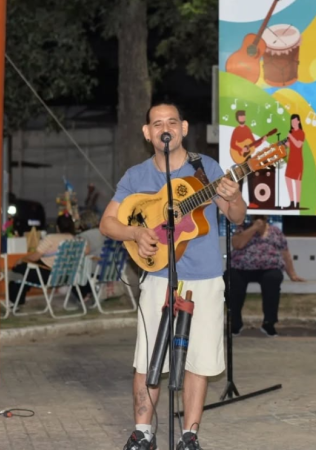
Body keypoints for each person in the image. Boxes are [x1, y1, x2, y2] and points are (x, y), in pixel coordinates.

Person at [100, 100, 246, 450]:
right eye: (157, 123)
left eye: (172, 121)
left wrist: (235, 195)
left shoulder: (205, 168)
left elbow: (237, 217)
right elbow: (107, 223)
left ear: (183, 129)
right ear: (148, 133)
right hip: (158, 277)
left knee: (199, 359)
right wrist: (136, 234)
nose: (165, 127)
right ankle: (143, 433)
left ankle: (189, 436)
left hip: (206, 277)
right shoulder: (136, 176)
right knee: (148, 358)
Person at [227, 215, 304, 337]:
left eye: (262, 217)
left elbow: (285, 254)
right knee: (232, 280)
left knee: (273, 279)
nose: (259, 219)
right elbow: (237, 245)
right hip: (241, 268)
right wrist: (254, 228)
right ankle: (235, 323)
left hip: (269, 269)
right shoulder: (242, 229)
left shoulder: (276, 232)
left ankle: (269, 323)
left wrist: (292, 275)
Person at [8, 214, 90, 306]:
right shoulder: (78, 240)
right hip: (67, 276)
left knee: (19, 270)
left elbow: (35, 257)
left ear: (58, 227)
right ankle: (16, 301)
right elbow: (86, 252)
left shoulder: (50, 238)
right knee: (25, 272)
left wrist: (22, 259)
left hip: (49, 276)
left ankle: (14, 302)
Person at [284, 114, 306, 209]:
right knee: (288, 179)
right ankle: (291, 202)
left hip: (298, 160)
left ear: (298, 121)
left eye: (294, 121)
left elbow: (298, 145)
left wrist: (291, 136)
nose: (293, 123)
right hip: (291, 160)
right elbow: (290, 145)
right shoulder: (291, 132)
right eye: (291, 121)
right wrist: (285, 144)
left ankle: (297, 203)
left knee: (297, 182)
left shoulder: (301, 133)